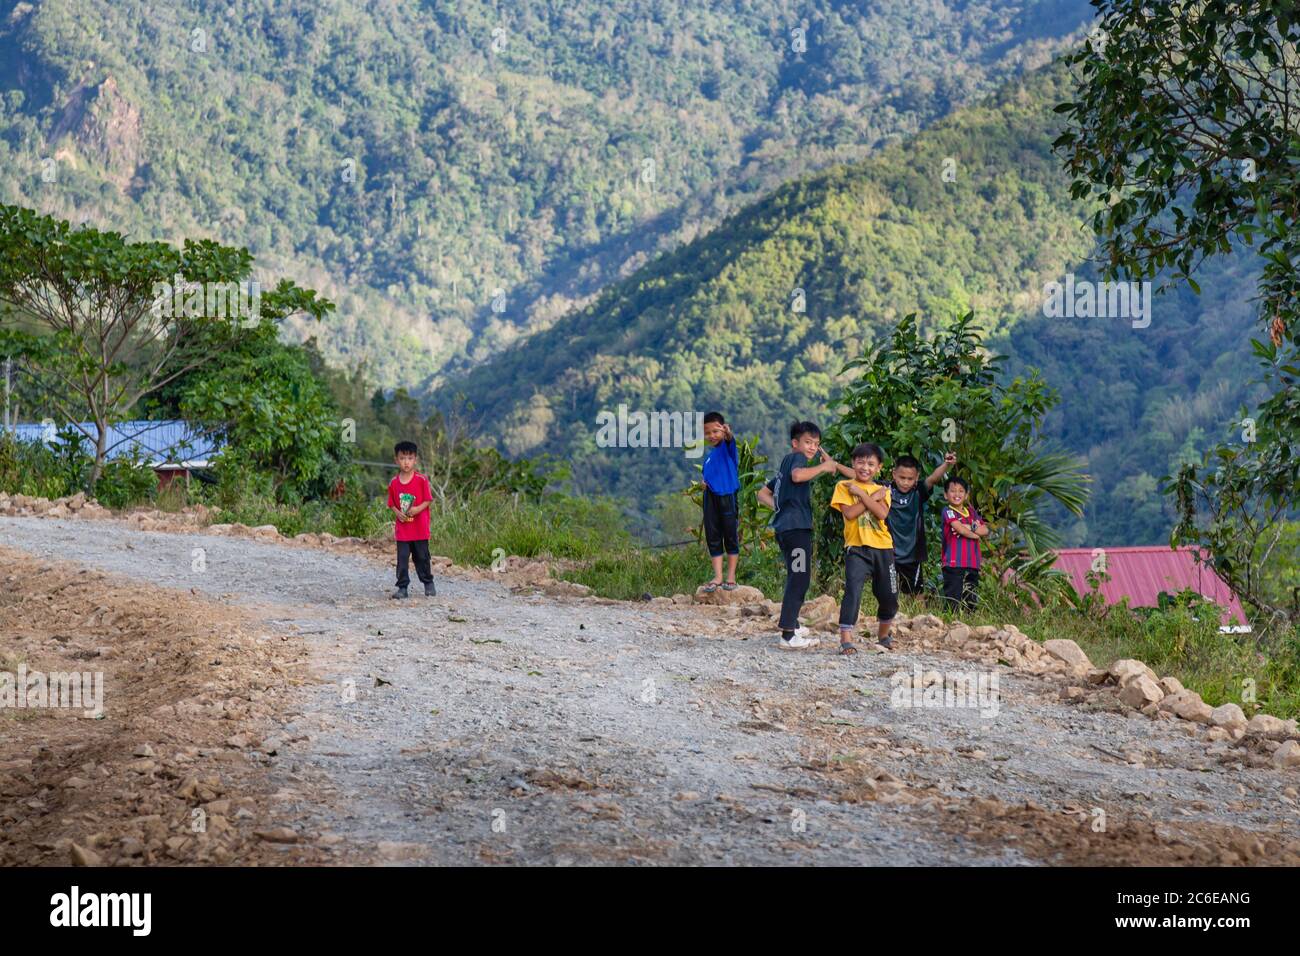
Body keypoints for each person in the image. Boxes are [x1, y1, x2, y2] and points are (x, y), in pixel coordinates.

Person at [756, 421, 853, 650]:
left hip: (786, 528)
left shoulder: (783, 468)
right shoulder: (796, 459)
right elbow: (799, 476)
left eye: (816, 444)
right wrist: (823, 467)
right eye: (808, 442)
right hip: (796, 530)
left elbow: (762, 494)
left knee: (795, 575)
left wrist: (782, 509)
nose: (811, 448)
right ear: (795, 443)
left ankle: (792, 624)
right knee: (799, 577)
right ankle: (788, 635)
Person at [829, 443, 898, 655]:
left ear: (879, 468)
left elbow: (882, 514)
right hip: (856, 548)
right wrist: (869, 497)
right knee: (853, 590)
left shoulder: (882, 491)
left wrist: (863, 494)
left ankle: (883, 634)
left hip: (883, 548)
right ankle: (846, 639)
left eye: (870, 464)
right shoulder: (843, 486)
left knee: (890, 594)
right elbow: (849, 513)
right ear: (853, 463)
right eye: (860, 462)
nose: (865, 467)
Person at [886, 451, 956, 596]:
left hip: (913, 555)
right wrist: (835, 465)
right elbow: (862, 479)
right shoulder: (886, 490)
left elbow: (933, 479)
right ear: (894, 474)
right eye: (902, 477)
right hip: (889, 553)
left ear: (916, 477)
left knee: (917, 594)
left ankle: (920, 618)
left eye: (910, 479)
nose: (905, 482)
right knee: (889, 594)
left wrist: (946, 464)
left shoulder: (918, 492)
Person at [387, 440, 436, 599]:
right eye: (402, 458)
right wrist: (398, 513)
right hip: (403, 530)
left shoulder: (421, 480)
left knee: (422, 557)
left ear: (415, 460)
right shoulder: (394, 483)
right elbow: (392, 504)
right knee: (402, 559)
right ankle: (402, 587)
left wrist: (416, 509)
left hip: (420, 529)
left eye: (409, 458)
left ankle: (428, 582)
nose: (406, 462)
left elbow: (428, 500)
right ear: (396, 460)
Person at [700, 412, 740, 591]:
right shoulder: (709, 457)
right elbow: (709, 475)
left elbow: (731, 439)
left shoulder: (728, 447)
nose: (711, 436)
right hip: (711, 498)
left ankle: (730, 577)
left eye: (715, 431)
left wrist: (728, 434)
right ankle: (718, 576)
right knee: (713, 536)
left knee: (730, 535)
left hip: (727, 495)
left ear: (724, 430)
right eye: (707, 433)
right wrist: (704, 483)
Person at [940, 476, 988, 610]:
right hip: (954, 563)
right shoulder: (948, 511)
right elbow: (959, 528)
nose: (957, 494)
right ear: (945, 495)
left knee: (970, 599)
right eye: (953, 491)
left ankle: (969, 626)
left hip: (972, 563)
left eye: (961, 491)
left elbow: (984, 530)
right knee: (953, 599)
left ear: (966, 495)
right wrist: (975, 533)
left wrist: (969, 527)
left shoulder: (972, 512)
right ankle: (950, 625)